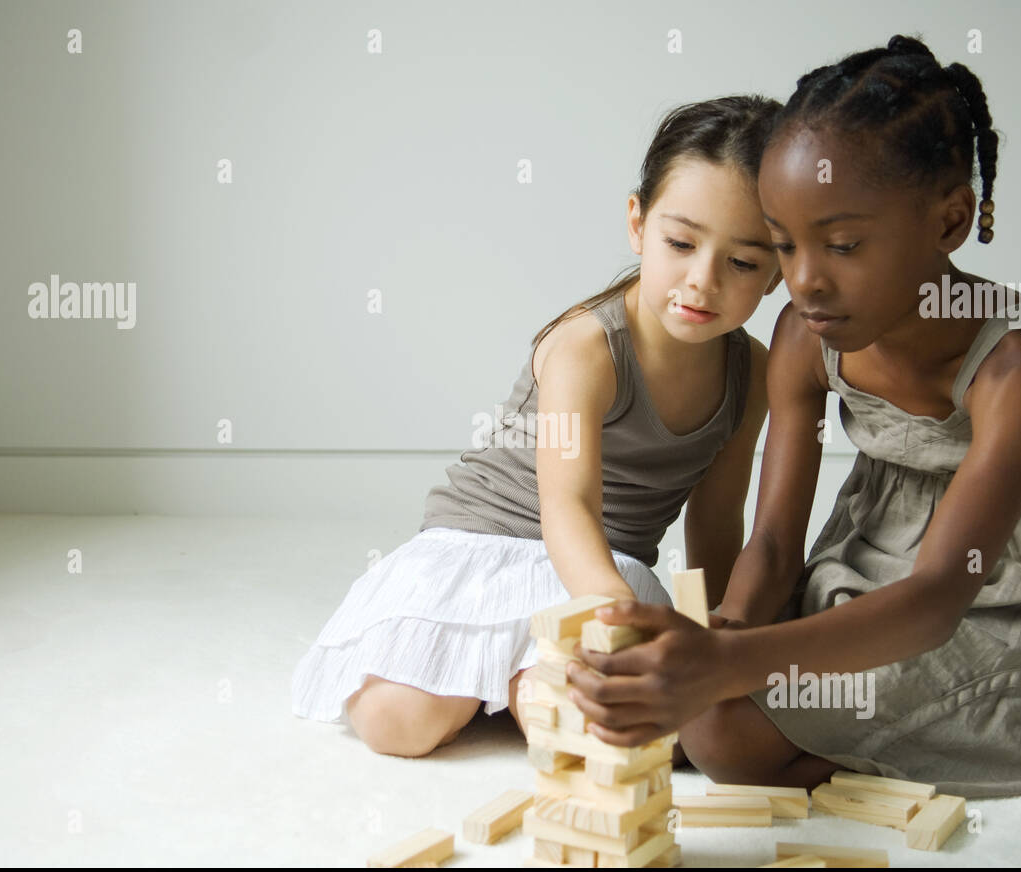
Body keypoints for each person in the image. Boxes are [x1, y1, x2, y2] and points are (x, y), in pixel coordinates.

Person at [567, 35, 1021, 798]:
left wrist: (724, 671)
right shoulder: (804, 339)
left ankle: (887, 755)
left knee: (721, 734)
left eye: (843, 244)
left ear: (948, 222)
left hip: (1008, 609)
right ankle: (802, 721)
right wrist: (726, 638)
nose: (806, 281)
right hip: (879, 573)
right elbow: (777, 540)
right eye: (784, 244)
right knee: (714, 712)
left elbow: (946, 588)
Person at [291, 96, 785, 757]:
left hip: (607, 560)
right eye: (681, 243)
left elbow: (718, 520)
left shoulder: (750, 374)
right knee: (395, 723)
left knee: (604, 733)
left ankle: (523, 682)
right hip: (495, 544)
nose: (702, 281)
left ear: (779, 266)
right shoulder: (587, 346)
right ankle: (480, 670)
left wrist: (720, 642)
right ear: (637, 224)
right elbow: (566, 505)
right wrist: (616, 612)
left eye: (743, 262)